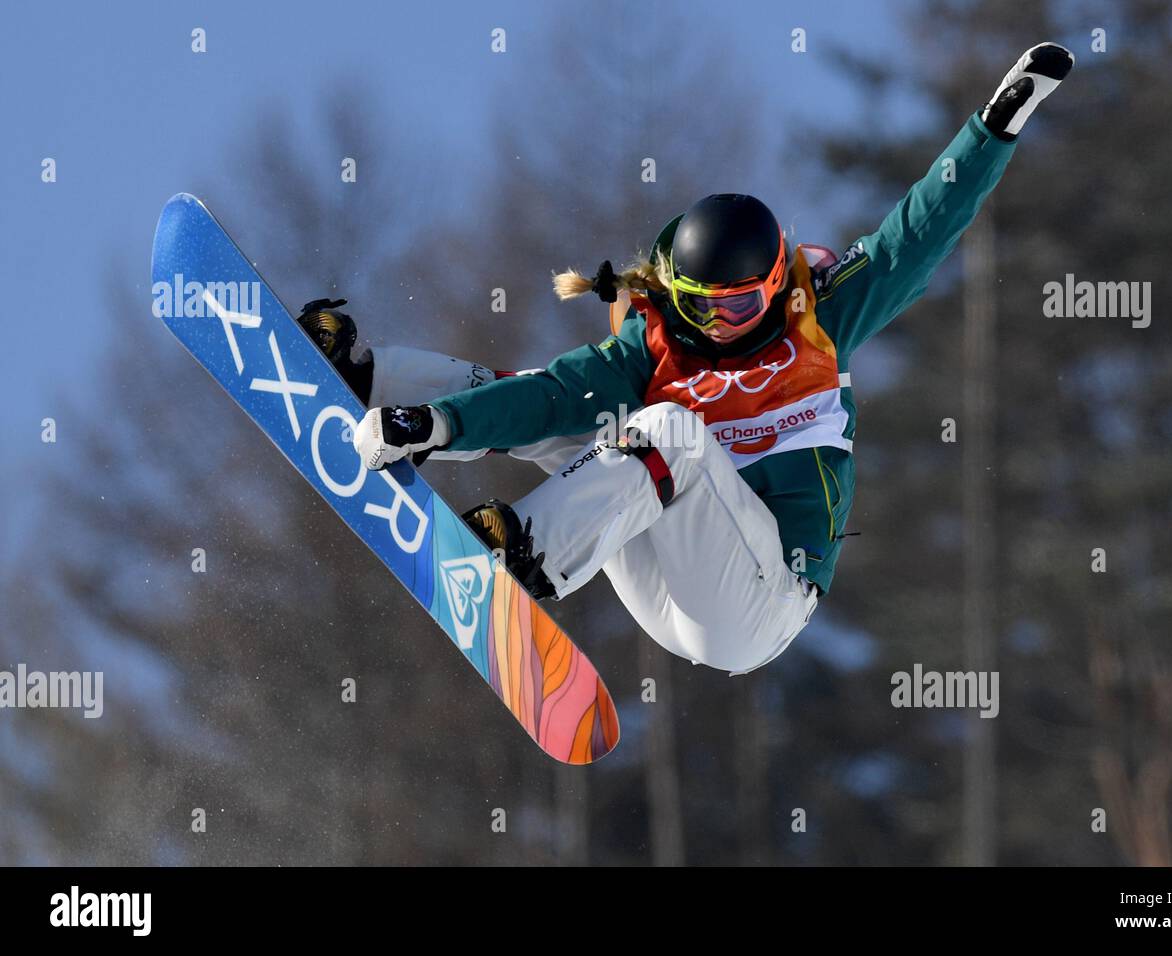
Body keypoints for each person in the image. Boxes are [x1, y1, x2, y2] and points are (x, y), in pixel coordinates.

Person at [302, 42, 1074, 676]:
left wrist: (994, 128)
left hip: (758, 602)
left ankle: (520, 555)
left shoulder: (820, 315)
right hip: (664, 560)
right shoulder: (656, 339)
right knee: (562, 404)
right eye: (700, 304)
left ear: (774, 288)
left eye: (738, 306)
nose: (719, 324)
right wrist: (436, 424)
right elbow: (550, 400)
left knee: (668, 428)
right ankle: (372, 378)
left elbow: (917, 235)